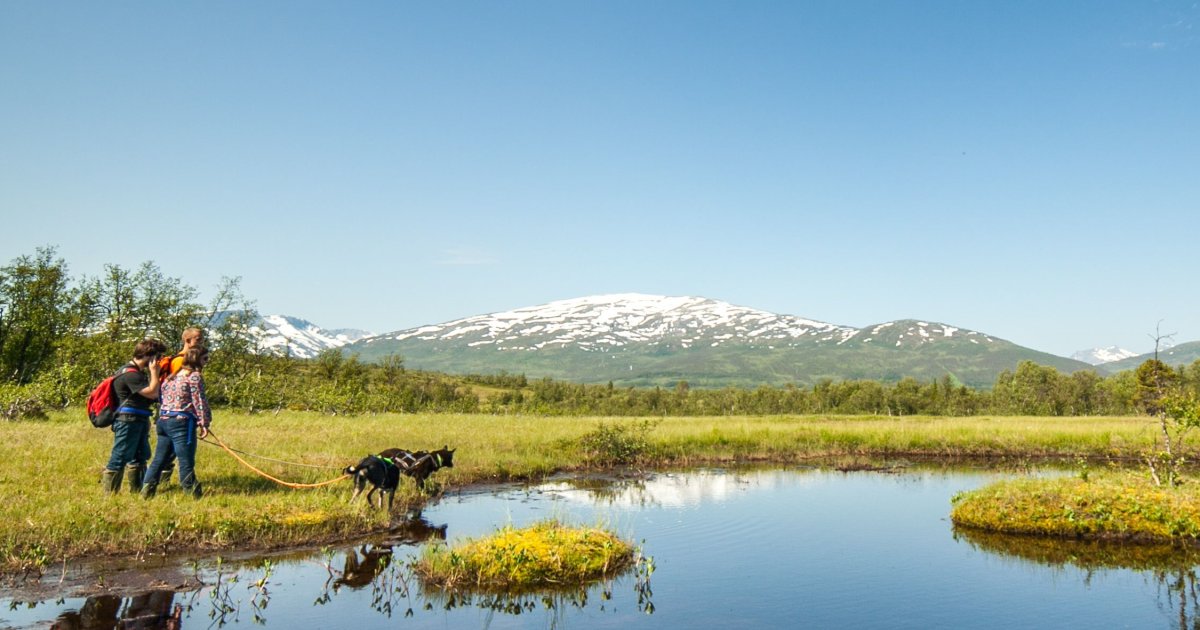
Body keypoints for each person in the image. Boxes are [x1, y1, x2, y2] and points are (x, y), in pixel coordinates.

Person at [141, 346, 212, 499]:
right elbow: (199, 401)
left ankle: (147, 491)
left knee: (159, 459)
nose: (207, 362)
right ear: (196, 359)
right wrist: (204, 423)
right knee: (185, 460)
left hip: (164, 420)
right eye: (205, 358)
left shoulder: (171, 377)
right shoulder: (194, 376)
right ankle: (192, 493)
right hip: (182, 423)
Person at [101, 338, 166, 494]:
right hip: (128, 420)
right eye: (158, 357)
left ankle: (137, 490)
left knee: (140, 456)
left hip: (138, 419)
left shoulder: (136, 372)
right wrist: (154, 374)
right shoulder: (130, 374)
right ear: (149, 355)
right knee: (121, 456)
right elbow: (152, 393)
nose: (158, 361)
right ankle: (110, 494)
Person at [155, 326, 206, 486]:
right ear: (188, 340)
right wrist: (202, 419)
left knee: (166, 453)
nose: (201, 341)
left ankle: (158, 483)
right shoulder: (181, 361)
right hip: (177, 412)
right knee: (175, 453)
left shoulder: (191, 360)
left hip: (171, 412)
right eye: (198, 339)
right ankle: (180, 485)